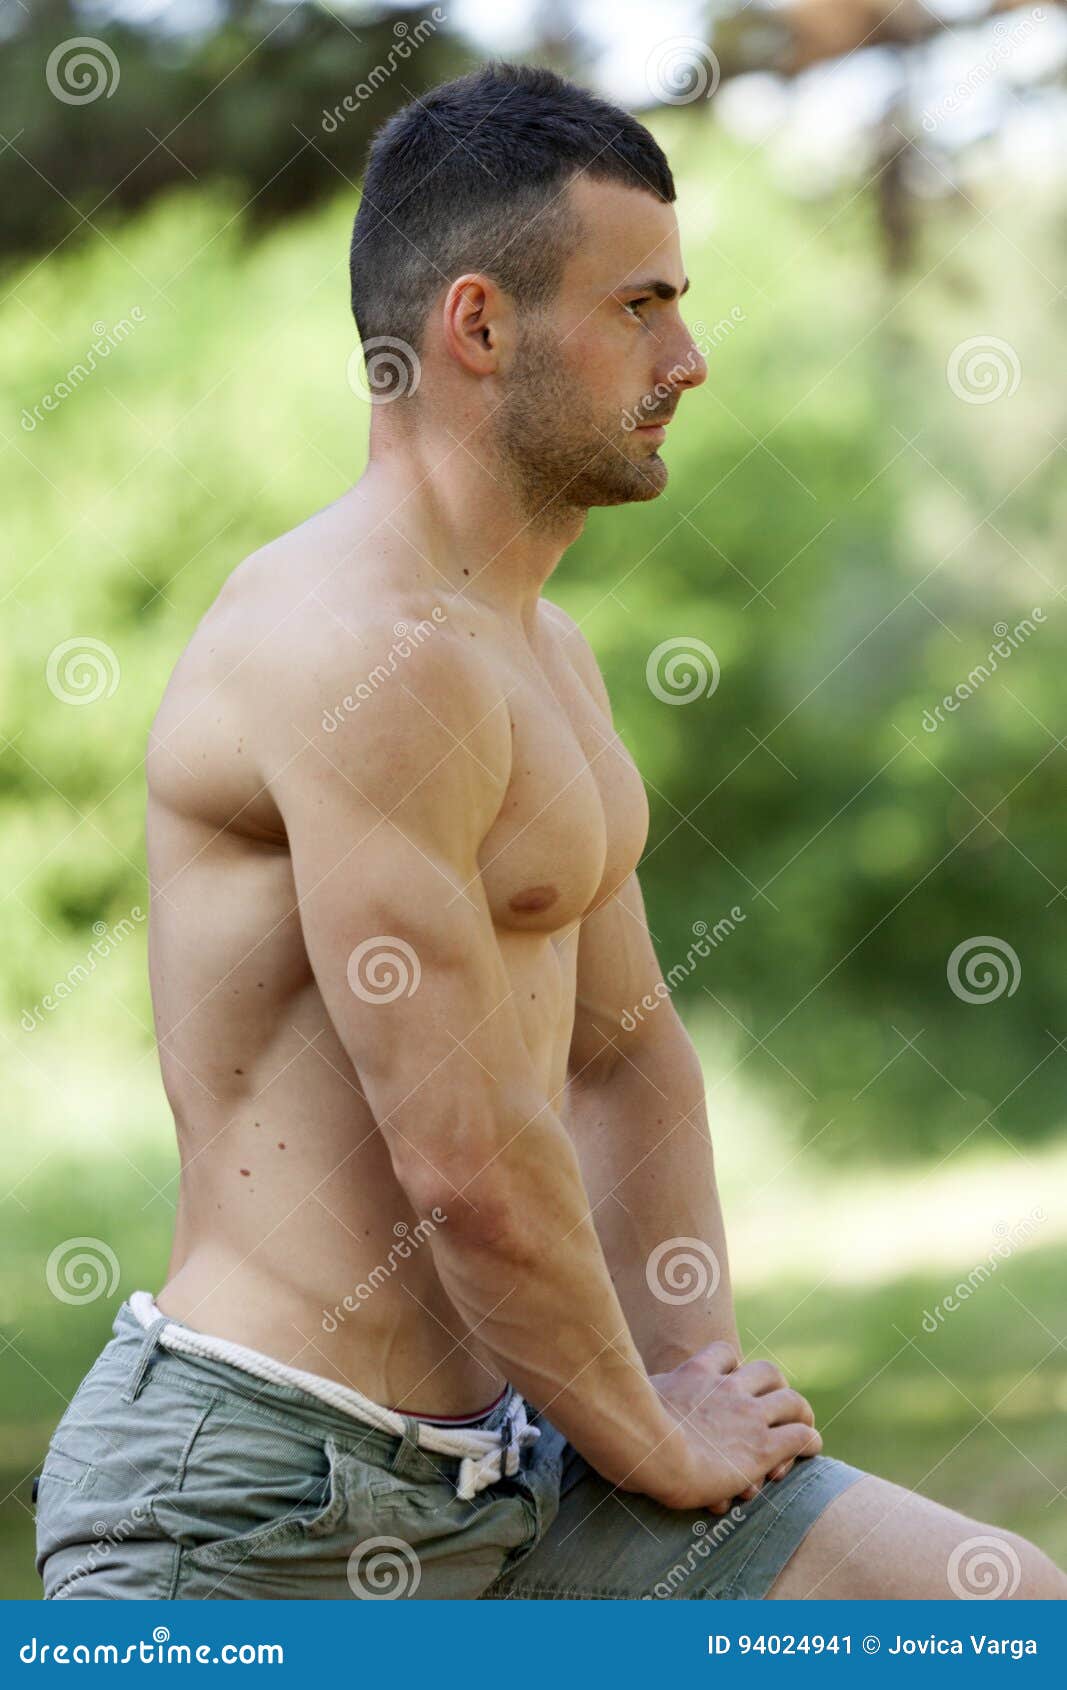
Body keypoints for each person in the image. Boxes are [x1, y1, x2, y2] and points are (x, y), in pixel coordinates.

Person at [35, 61, 1066, 1602]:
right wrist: (653, 1437)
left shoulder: (546, 654)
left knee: (987, 1610)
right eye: (640, 306)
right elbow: (463, 1155)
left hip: (522, 1470)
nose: (692, 356)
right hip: (254, 1509)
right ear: (478, 327)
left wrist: (692, 1375)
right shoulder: (353, 649)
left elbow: (620, 1054)